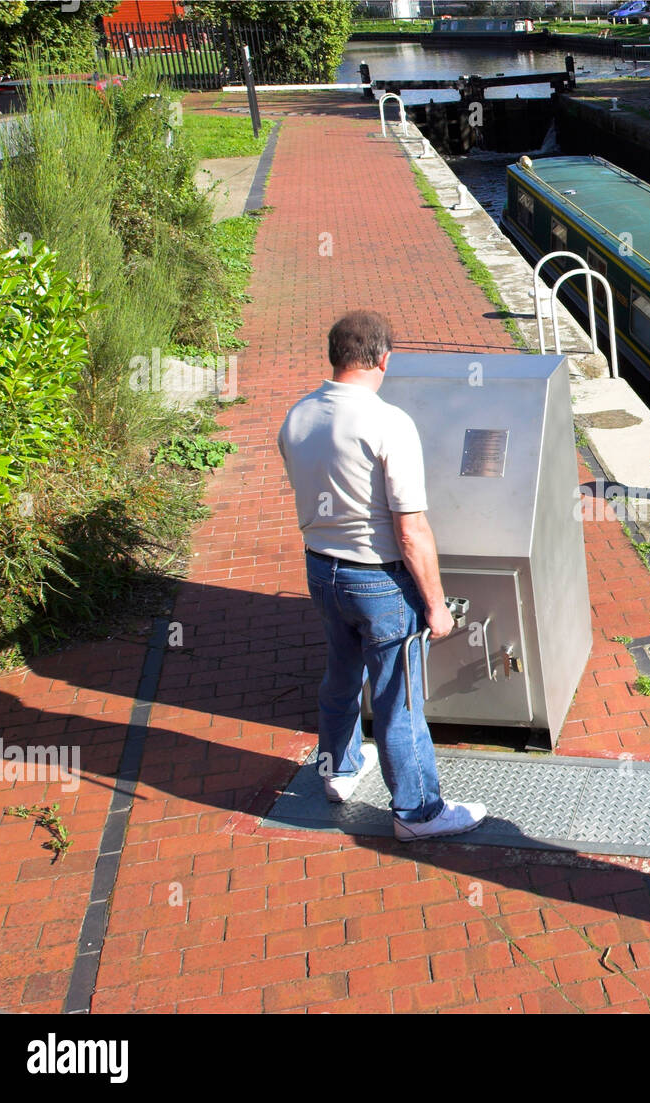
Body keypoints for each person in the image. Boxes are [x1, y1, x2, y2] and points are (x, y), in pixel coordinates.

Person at [277, 310, 486, 841]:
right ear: (383, 358)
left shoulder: (297, 416)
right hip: (380, 581)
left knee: (341, 675)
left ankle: (339, 771)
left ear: (335, 355)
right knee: (400, 698)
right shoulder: (389, 422)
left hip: (321, 569)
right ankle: (418, 814)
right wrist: (436, 605)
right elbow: (411, 528)